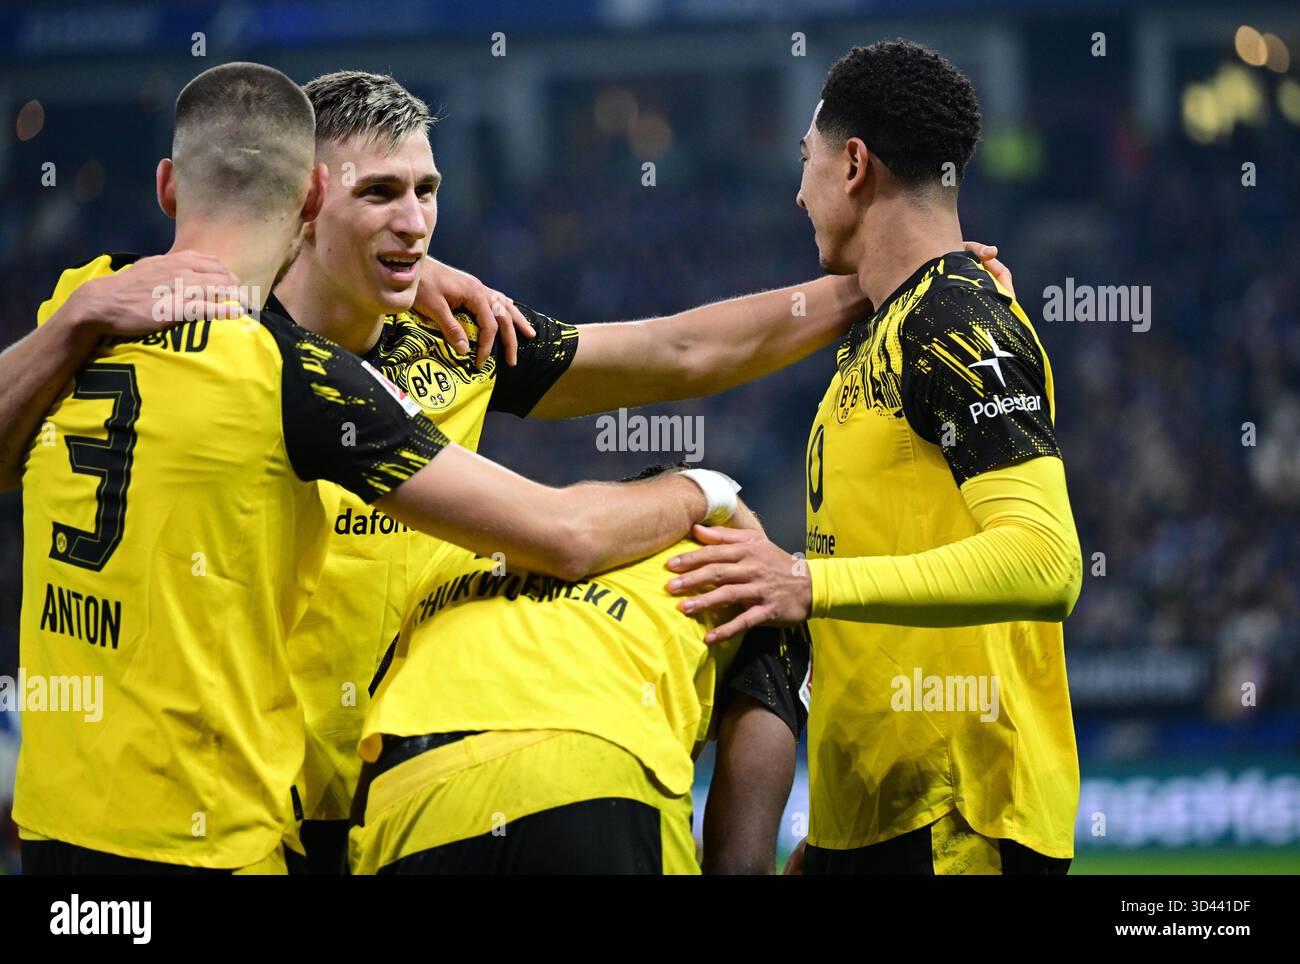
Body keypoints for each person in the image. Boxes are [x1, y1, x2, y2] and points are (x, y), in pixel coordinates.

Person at [7, 62, 738, 874]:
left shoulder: (92, 296)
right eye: (382, 193)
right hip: (217, 834)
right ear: (313, 197)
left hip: (59, 830)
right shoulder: (293, 371)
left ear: (168, 187)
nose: (414, 217)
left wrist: (66, 325)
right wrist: (704, 488)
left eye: (426, 192)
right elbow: (562, 532)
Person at [667, 40, 1082, 874]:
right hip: (879, 817)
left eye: (806, 162)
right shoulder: (882, 335)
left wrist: (801, 582)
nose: (798, 191)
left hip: (957, 813)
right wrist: (828, 846)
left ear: (854, 164)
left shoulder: (957, 321)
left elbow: (1048, 560)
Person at [349, 469, 810, 874]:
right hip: (596, 775)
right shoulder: (750, 581)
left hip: (409, 800)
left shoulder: (458, 555)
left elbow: (376, 740)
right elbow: (739, 863)